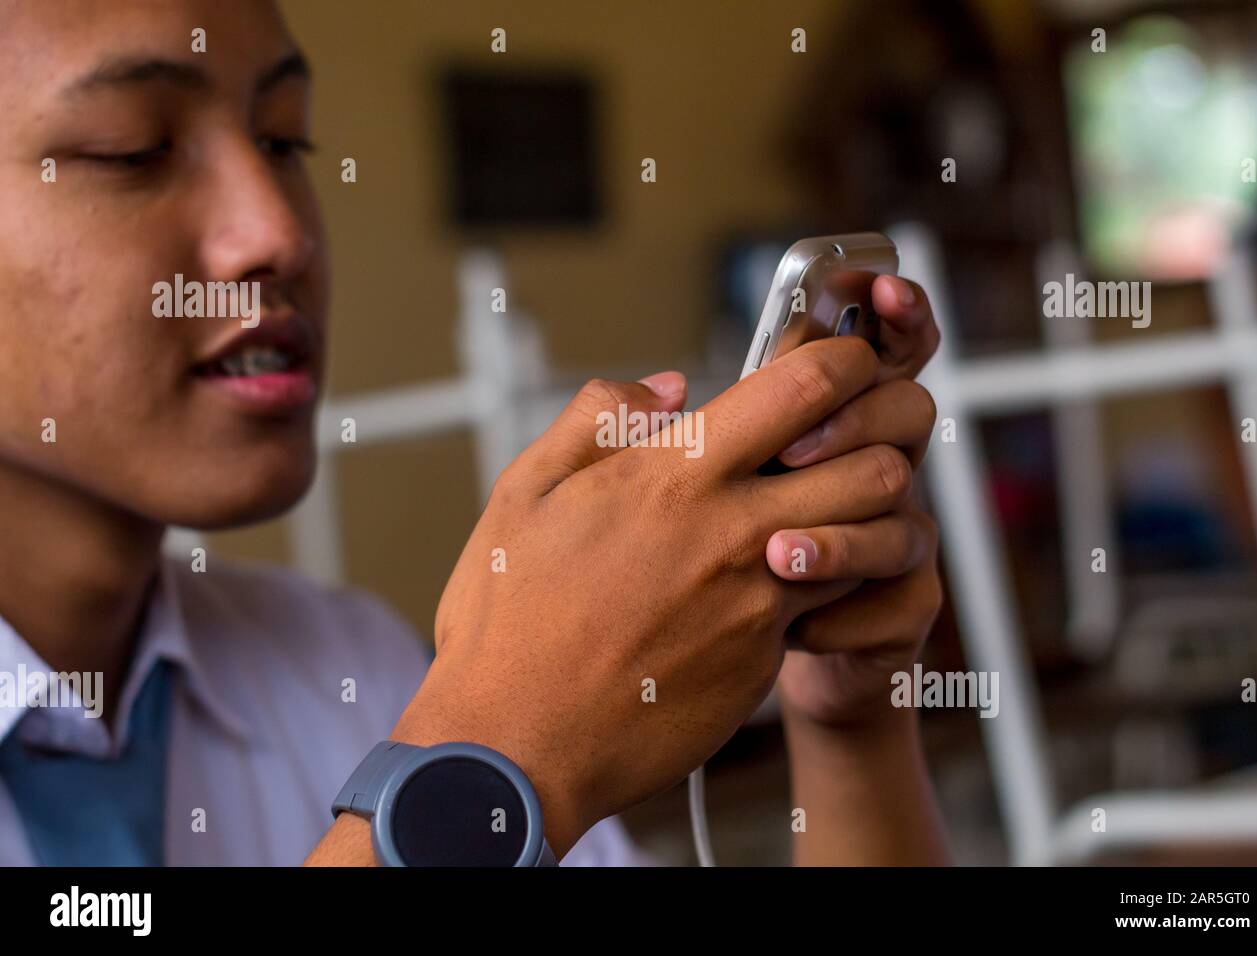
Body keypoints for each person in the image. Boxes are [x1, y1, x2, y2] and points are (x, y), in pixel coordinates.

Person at [0, 0, 948, 867]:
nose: (277, 232)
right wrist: (501, 749)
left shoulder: (351, 670)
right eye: (130, 150)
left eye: (285, 139)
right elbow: (498, 743)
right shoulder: (446, 711)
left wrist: (846, 728)